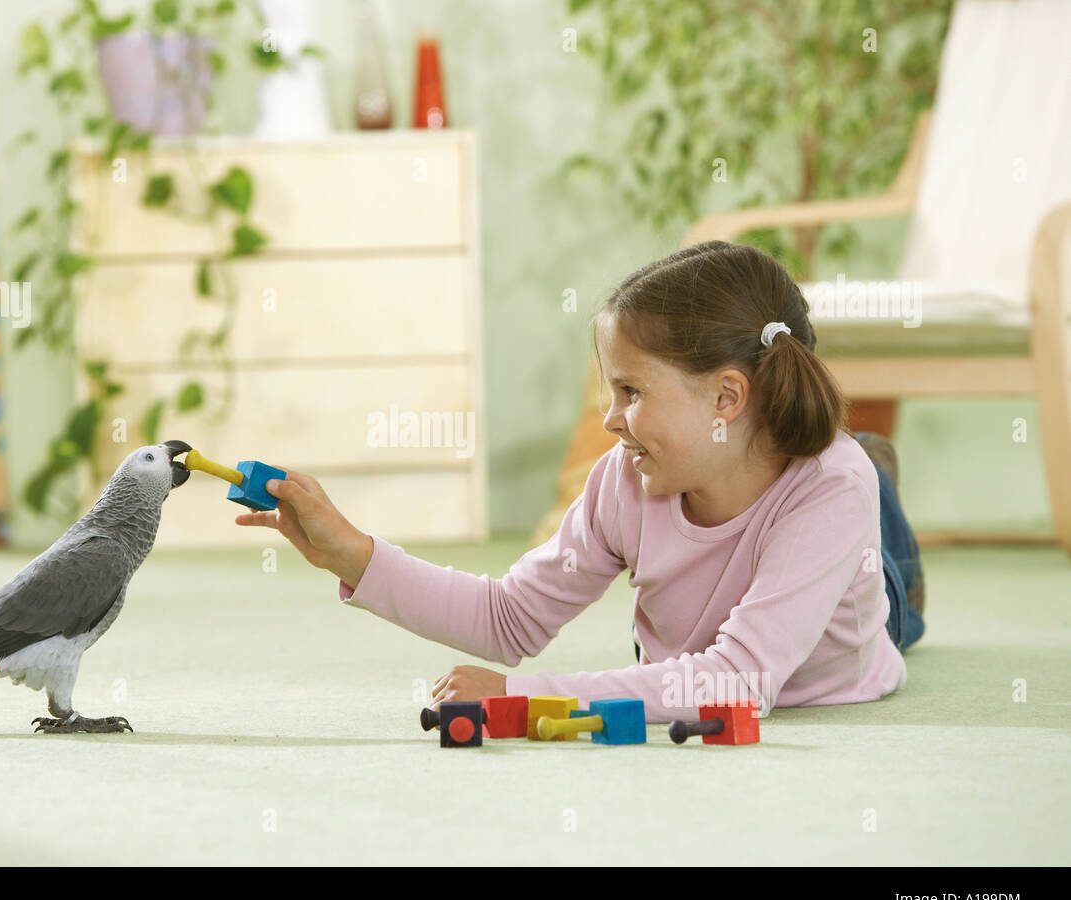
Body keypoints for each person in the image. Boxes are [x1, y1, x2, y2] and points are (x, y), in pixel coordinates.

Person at [237, 241, 925, 722]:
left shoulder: (829, 490)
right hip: (719, 626)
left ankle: (880, 495)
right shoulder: (624, 481)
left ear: (725, 398)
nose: (610, 418)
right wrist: (349, 551)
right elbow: (508, 618)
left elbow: (740, 682)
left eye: (630, 390)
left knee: (877, 549)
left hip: (841, 634)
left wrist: (527, 697)